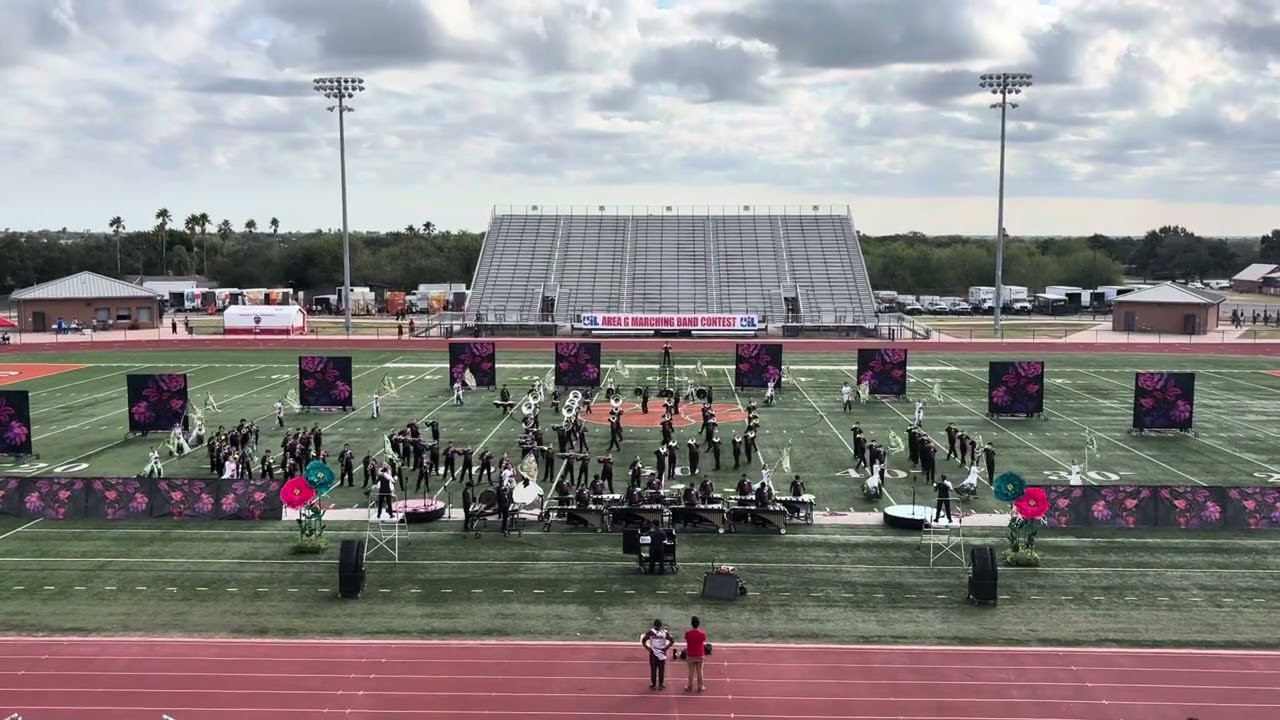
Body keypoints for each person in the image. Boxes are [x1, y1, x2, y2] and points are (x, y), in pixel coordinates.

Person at [641, 619, 672, 690]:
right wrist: (666, 648)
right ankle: (661, 684)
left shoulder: (651, 632)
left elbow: (643, 640)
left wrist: (647, 647)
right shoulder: (664, 632)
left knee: (653, 669)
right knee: (661, 670)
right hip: (662, 653)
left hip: (653, 654)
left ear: (654, 625)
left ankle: (653, 684)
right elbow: (672, 640)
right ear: (661, 625)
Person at [684, 616, 707, 693]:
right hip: (700, 654)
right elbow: (703, 640)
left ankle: (689, 686)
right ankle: (700, 686)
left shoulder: (688, 633)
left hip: (690, 655)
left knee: (691, 671)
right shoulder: (702, 634)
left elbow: (686, 638)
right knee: (700, 671)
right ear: (698, 624)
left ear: (691, 624)